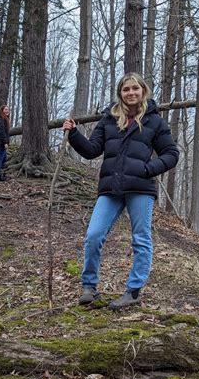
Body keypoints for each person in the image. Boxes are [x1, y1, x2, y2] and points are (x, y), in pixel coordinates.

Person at [63, 73, 179, 310]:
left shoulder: (154, 121)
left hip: (140, 188)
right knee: (94, 235)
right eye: (126, 89)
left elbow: (171, 154)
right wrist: (74, 134)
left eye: (135, 88)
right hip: (111, 188)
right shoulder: (109, 119)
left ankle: (133, 291)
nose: (131, 93)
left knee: (141, 239)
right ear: (121, 93)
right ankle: (89, 287)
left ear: (143, 91)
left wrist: (148, 169)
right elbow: (92, 150)